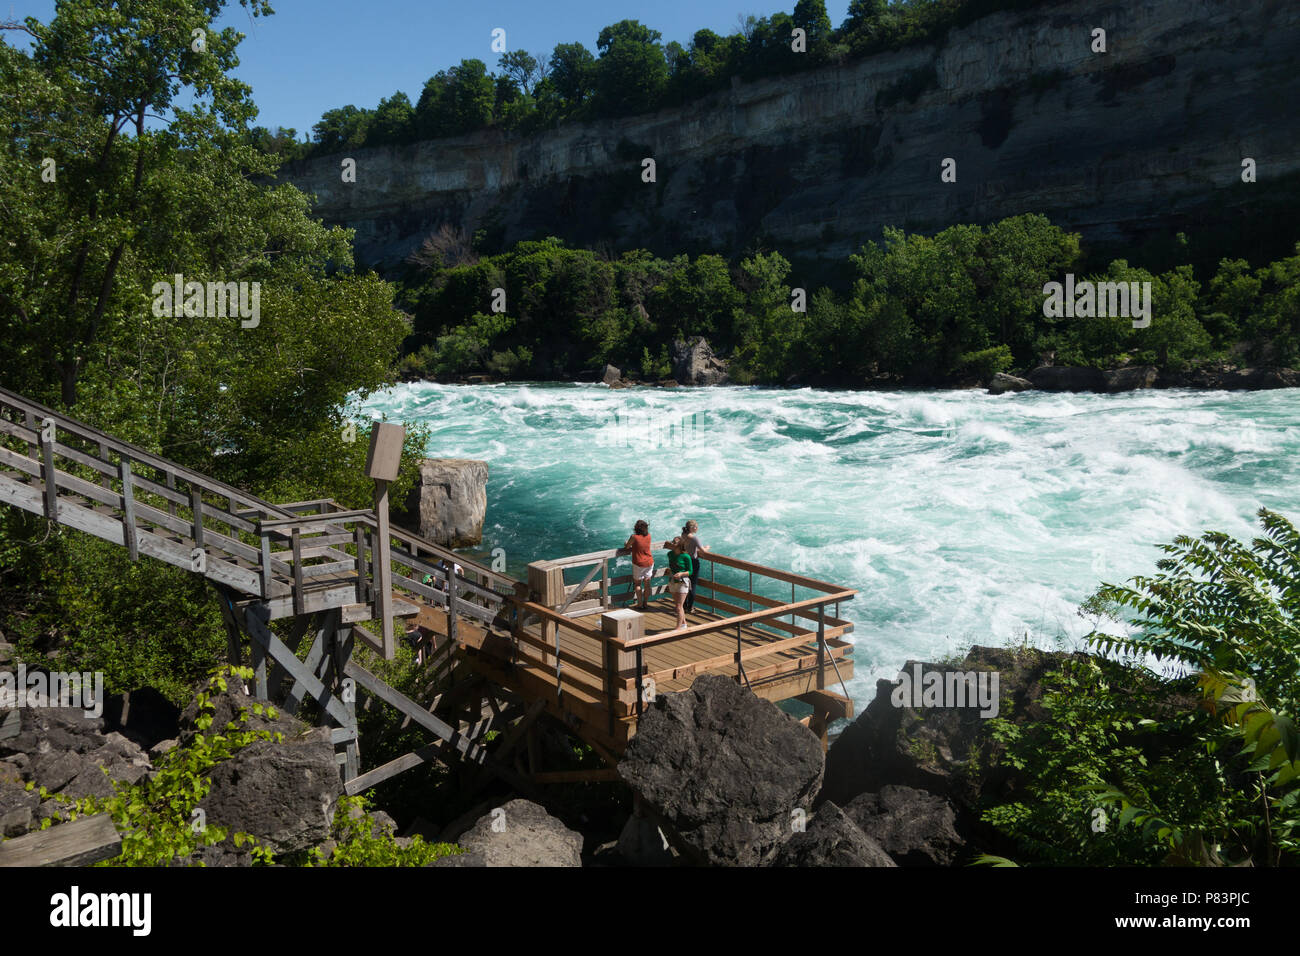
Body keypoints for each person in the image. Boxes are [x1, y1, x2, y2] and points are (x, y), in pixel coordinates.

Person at [679, 520, 708, 613]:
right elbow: (703, 551)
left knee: (684, 583)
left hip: (684, 560)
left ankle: (683, 605)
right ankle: (690, 607)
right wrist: (707, 547)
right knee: (693, 585)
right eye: (696, 527)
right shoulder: (694, 539)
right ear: (692, 528)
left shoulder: (683, 535)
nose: (697, 528)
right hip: (693, 562)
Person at [624, 520, 654, 610]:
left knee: (637, 584)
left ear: (636, 528)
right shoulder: (649, 536)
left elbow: (627, 547)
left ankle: (639, 604)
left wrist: (626, 543)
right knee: (647, 584)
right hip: (649, 562)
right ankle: (645, 603)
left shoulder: (634, 537)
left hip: (639, 563)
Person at [666, 536, 694, 629]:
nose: (673, 543)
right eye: (672, 541)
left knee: (678, 606)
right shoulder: (669, 554)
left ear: (680, 545)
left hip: (683, 582)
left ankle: (677, 628)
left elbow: (690, 571)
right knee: (678, 606)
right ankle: (684, 624)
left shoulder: (686, 556)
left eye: (675, 542)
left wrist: (681, 574)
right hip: (673, 581)